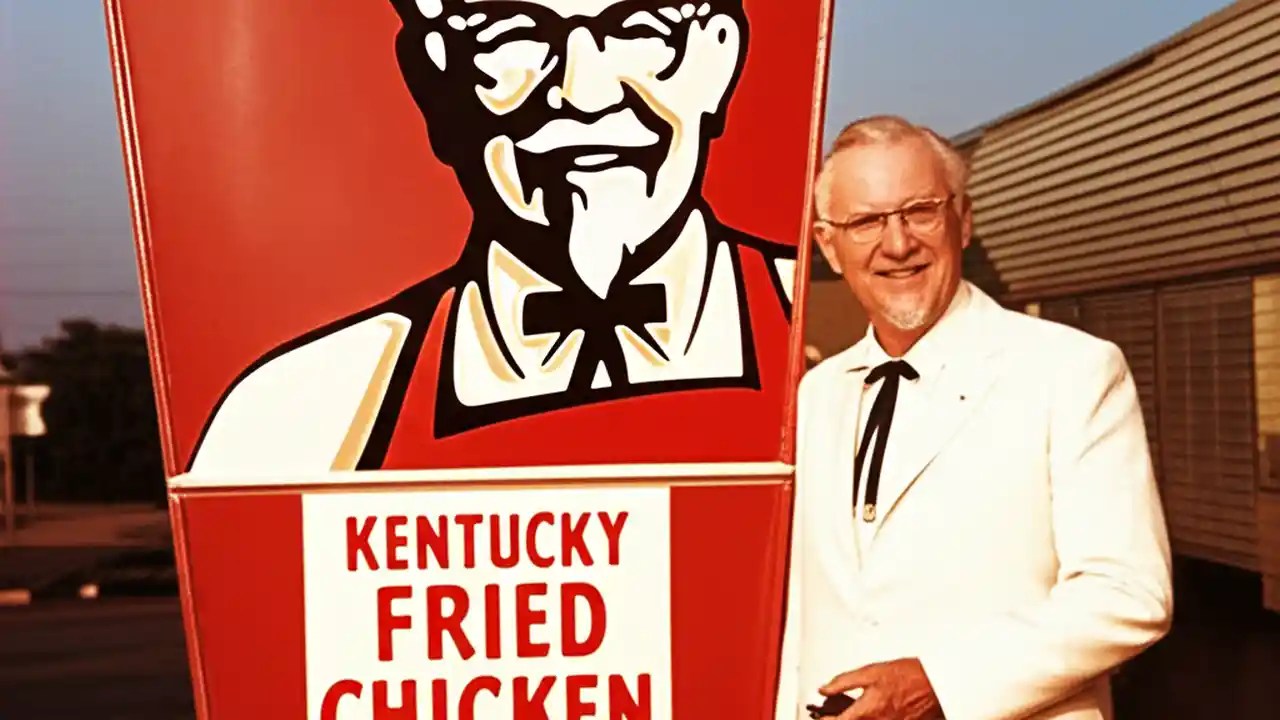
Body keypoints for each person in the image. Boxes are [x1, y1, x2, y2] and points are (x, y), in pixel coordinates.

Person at [187, 0, 796, 474]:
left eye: (641, 29)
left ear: (719, 62)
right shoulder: (308, 411)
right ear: (434, 84)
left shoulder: (836, 351)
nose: (587, 94)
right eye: (514, 35)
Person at [775, 115, 1173, 720]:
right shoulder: (813, 394)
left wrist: (940, 683)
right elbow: (801, 611)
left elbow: (1128, 594)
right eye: (866, 222)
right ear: (828, 246)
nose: (898, 243)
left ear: (963, 221)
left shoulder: (1072, 371)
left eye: (920, 211)